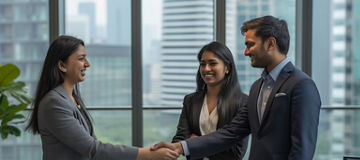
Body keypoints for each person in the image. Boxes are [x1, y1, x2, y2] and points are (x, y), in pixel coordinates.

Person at [152, 15, 321, 160]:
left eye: (250, 44)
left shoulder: (301, 85)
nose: (246, 52)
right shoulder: (257, 87)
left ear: (270, 44)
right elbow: (230, 133)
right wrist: (181, 147)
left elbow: (302, 150)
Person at [26, 35, 179, 160]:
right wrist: (146, 154)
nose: (87, 64)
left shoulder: (72, 98)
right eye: (81, 59)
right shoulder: (54, 103)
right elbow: (92, 148)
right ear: (62, 65)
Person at [172, 41, 248, 160]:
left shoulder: (243, 102)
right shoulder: (190, 100)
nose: (206, 69)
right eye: (203, 64)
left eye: (212, 63)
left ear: (227, 68)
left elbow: (235, 153)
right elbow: (180, 138)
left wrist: (194, 143)